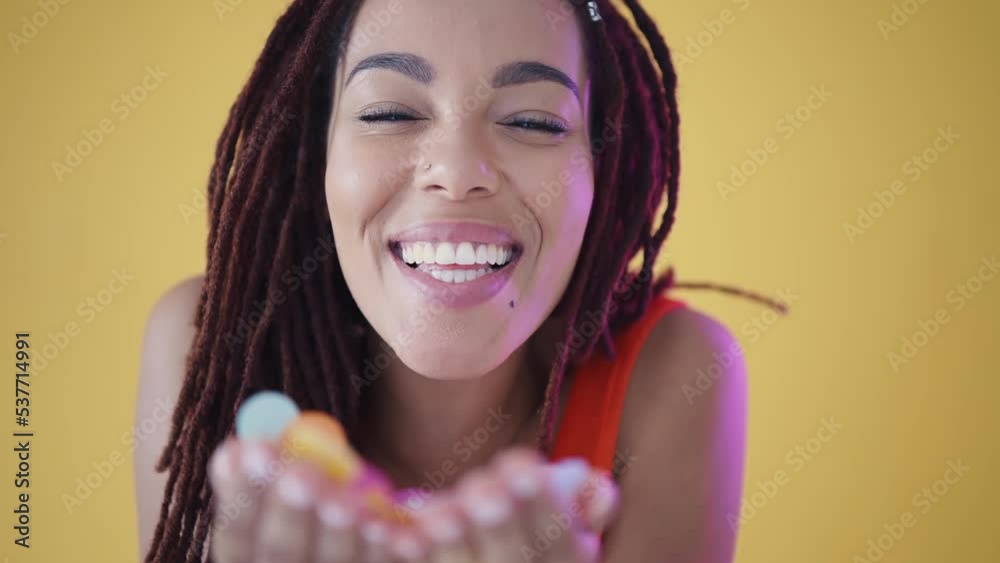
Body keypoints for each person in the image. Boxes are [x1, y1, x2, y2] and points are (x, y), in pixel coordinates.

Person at [135, 0, 764, 560]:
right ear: (315, 156)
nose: (459, 171)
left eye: (534, 122)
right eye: (388, 112)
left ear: (604, 169)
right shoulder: (206, 347)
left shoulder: (676, 374)